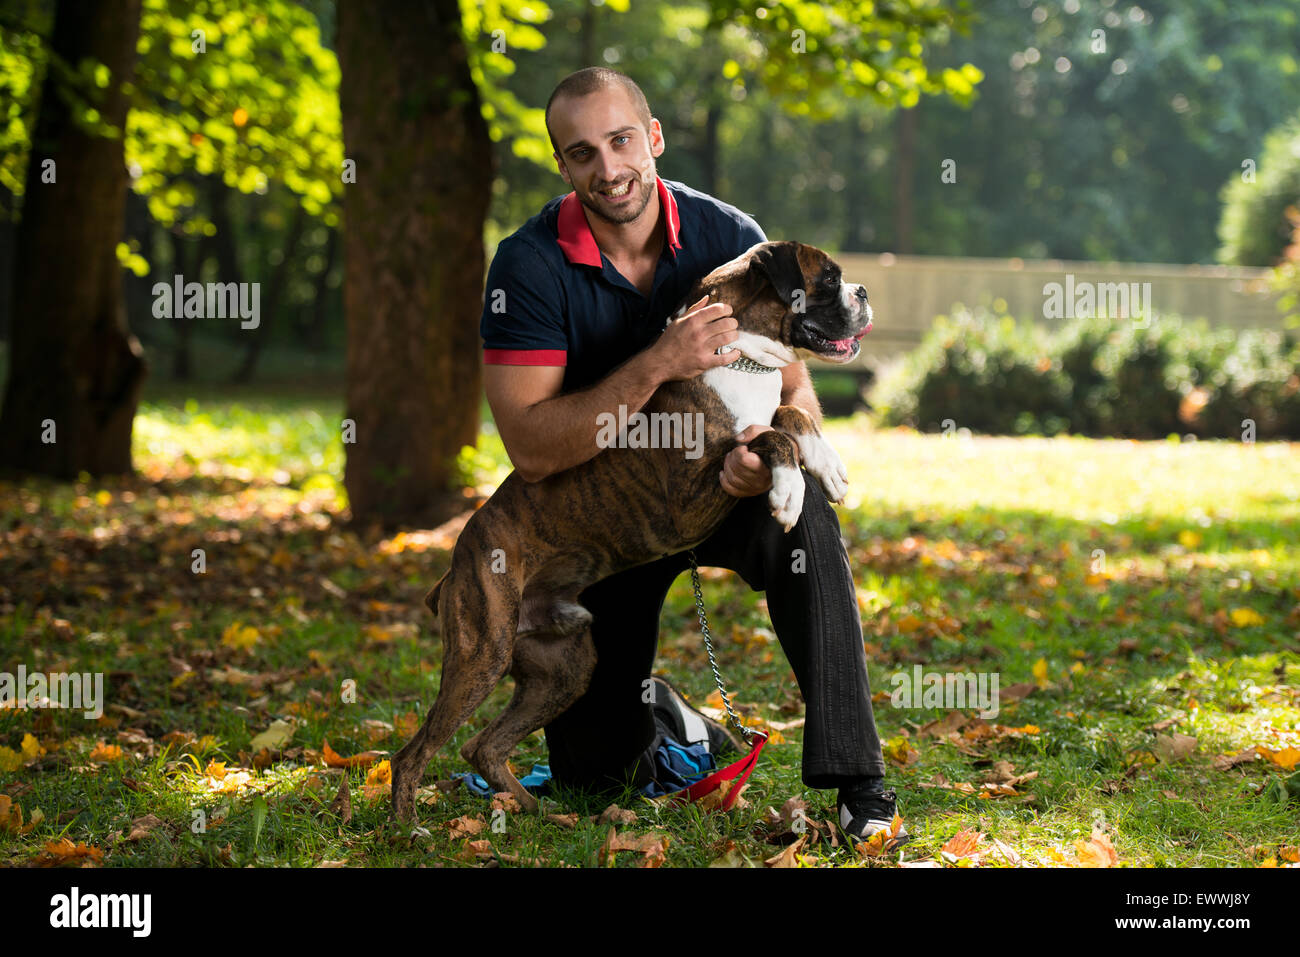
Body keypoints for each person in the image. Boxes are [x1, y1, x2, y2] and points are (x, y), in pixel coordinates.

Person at [477, 66, 906, 842]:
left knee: (806, 511)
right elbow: (532, 449)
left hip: (725, 489)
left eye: (621, 140)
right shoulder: (528, 266)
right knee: (596, 776)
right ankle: (668, 717)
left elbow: (794, 388)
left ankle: (860, 783)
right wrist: (656, 363)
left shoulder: (732, 239)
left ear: (654, 137)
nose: (608, 168)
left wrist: (765, 458)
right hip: (609, 523)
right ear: (562, 164)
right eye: (582, 152)